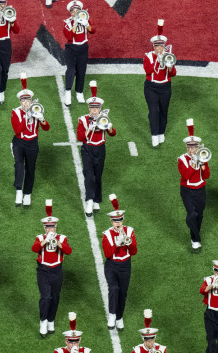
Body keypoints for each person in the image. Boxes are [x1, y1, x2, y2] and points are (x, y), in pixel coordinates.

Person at [32, 200, 73, 337]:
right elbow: (34, 248)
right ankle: (43, 321)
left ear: (56, 227)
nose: (50, 230)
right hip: (43, 271)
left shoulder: (62, 238)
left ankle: (51, 320)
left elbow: (69, 251)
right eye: (48, 227)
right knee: (46, 297)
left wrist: (58, 243)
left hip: (57, 271)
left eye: (52, 227)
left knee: (55, 297)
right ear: (44, 228)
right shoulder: (39, 238)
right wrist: (46, 240)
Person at [77, 82, 116, 216]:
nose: (94, 111)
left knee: (98, 175)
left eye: (97, 108)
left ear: (100, 109)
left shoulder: (103, 118)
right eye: (92, 108)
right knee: (89, 175)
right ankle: (89, 200)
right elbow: (80, 136)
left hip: (100, 149)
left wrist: (109, 126)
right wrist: (90, 127)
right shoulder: (82, 119)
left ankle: (96, 199)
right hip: (87, 149)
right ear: (89, 108)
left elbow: (112, 133)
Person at [12, 74, 50, 207]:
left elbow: (46, 128)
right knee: (19, 165)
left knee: (30, 168)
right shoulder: (15, 112)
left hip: (32, 144)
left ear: (31, 101)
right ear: (20, 102)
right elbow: (18, 130)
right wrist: (27, 117)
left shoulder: (36, 110)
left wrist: (41, 119)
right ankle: (18, 190)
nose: (26, 103)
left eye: (28, 101)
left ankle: (27, 193)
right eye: (23, 101)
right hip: (19, 142)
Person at [102, 194, 137, 330]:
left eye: (120, 220)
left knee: (123, 292)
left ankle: (119, 317)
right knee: (114, 288)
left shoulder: (129, 231)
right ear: (111, 221)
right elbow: (107, 254)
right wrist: (117, 244)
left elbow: (134, 251)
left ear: (122, 220)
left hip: (125, 265)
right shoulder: (106, 234)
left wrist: (127, 242)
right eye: (115, 221)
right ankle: (112, 315)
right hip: (112, 265)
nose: (118, 223)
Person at [177, 119, 210, 253]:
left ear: (198, 147)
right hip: (187, 190)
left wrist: (202, 165)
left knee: (199, 215)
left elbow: (207, 176)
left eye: (195, 147)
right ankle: (196, 239)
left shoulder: (203, 157)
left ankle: (194, 237)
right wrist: (193, 164)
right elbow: (185, 176)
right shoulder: (181, 159)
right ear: (187, 148)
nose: (192, 150)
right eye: (190, 147)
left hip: (200, 189)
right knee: (191, 214)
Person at [143, 20, 176, 148]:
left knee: (163, 110)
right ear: (154, 47)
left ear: (164, 46)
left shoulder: (169, 56)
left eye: (161, 47)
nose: (159, 49)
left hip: (165, 87)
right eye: (157, 47)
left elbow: (173, 74)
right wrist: (158, 59)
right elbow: (148, 70)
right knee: (153, 111)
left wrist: (169, 67)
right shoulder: (148, 56)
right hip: (151, 87)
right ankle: (154, 134)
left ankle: (161, 132)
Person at [63, 0, 94, 105]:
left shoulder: (86, 19)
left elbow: (93, 31)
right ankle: (67, 92)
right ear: (70, 13)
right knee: (71, 70)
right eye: (72, 11)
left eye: (77, 11)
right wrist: (75, 23)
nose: (75, 13)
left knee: (81, 71)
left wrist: (86, 24)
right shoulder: (67, 23)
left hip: (83, 48)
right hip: (71, 49)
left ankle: (79, 92)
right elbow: (69, 36)